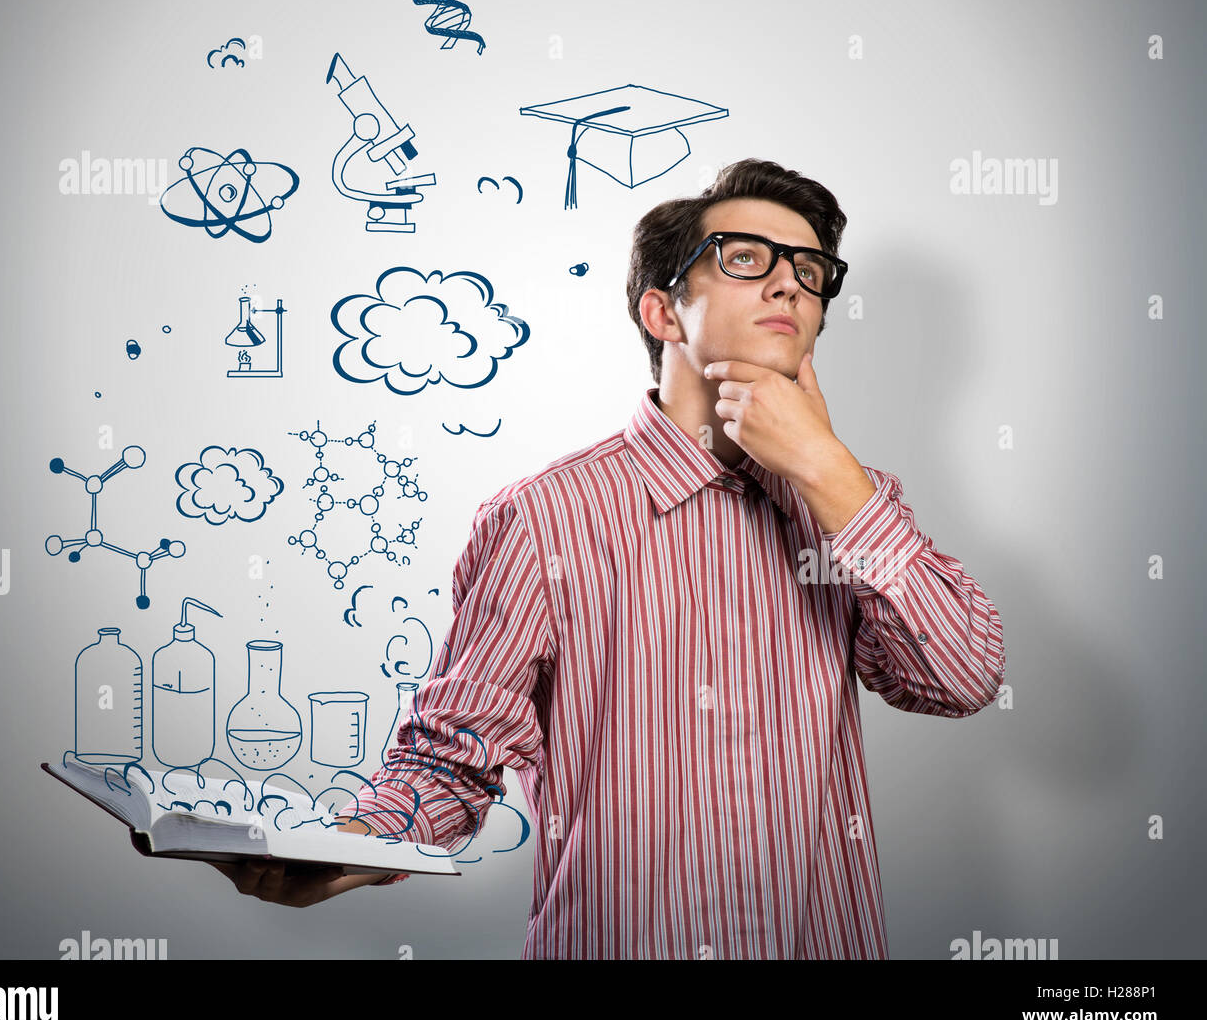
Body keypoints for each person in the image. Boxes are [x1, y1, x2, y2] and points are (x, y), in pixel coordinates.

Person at [211, 157, 1006, 958]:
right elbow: (456, 753)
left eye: (809, 270)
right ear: (663, 311)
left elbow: (962, 679)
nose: (789, 285)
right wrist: (349, 849)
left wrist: (830, 472)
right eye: (745, 258)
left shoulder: (853, 504)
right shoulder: (544, 517)